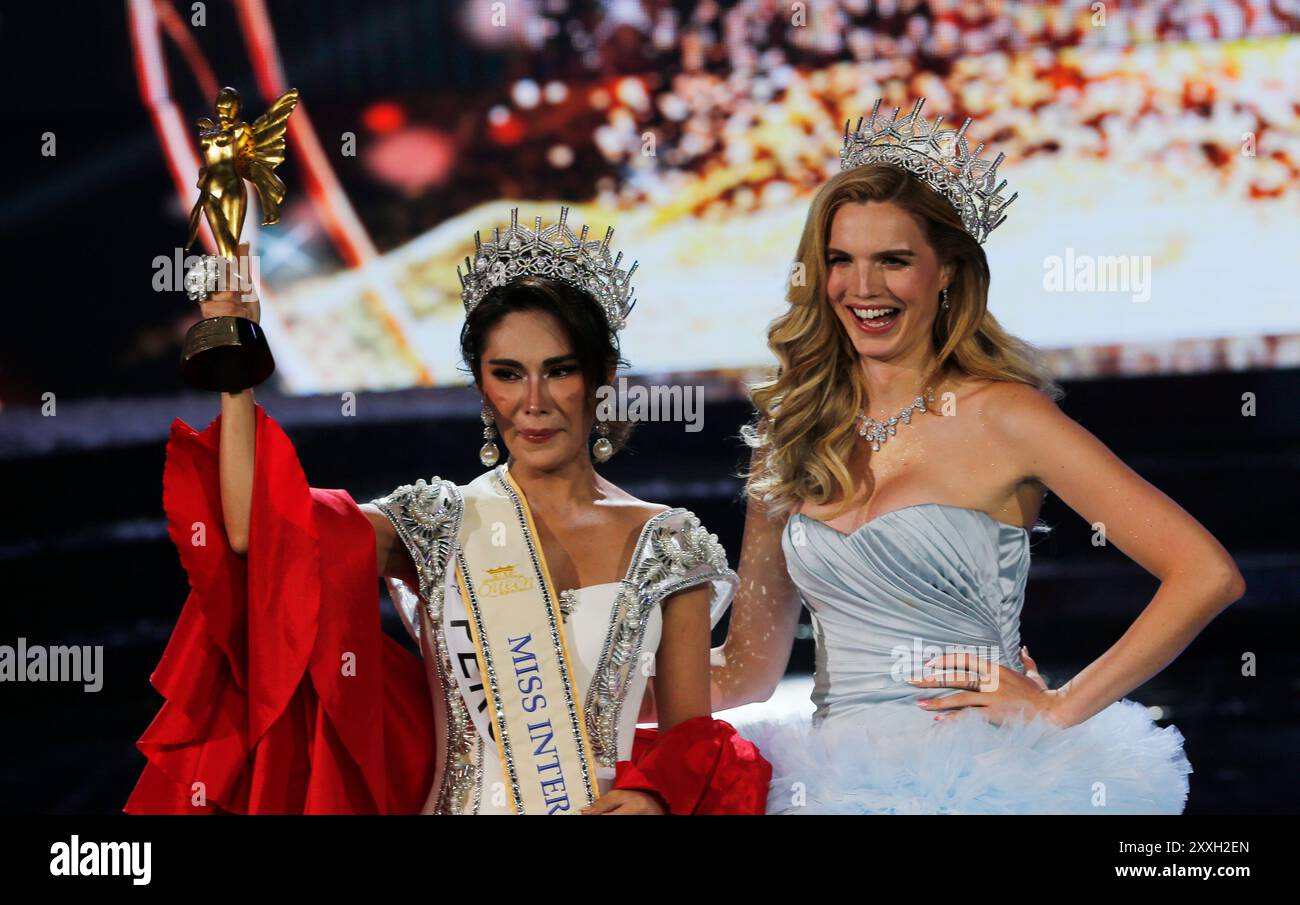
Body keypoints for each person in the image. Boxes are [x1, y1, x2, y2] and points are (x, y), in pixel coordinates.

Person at [125, 208, 771, 815]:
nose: (535, 401)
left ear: (600, 375)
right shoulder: (438, 520)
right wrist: (235, 368)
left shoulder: (668, 542)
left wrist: (657, 797)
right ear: (482, 385)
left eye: (560, 370)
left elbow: (694, 741)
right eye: (509, 373)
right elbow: (254, 532)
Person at [707, 99, 1243, 814]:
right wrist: (582, 693)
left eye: (893, 261)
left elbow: (1205, 573)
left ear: (948, 271)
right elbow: (744, 670)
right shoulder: (795, 431)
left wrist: (1060, 705)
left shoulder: (1007, 416)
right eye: (841, 261)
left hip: (989, 783)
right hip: (826, 789)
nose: (862, 289)